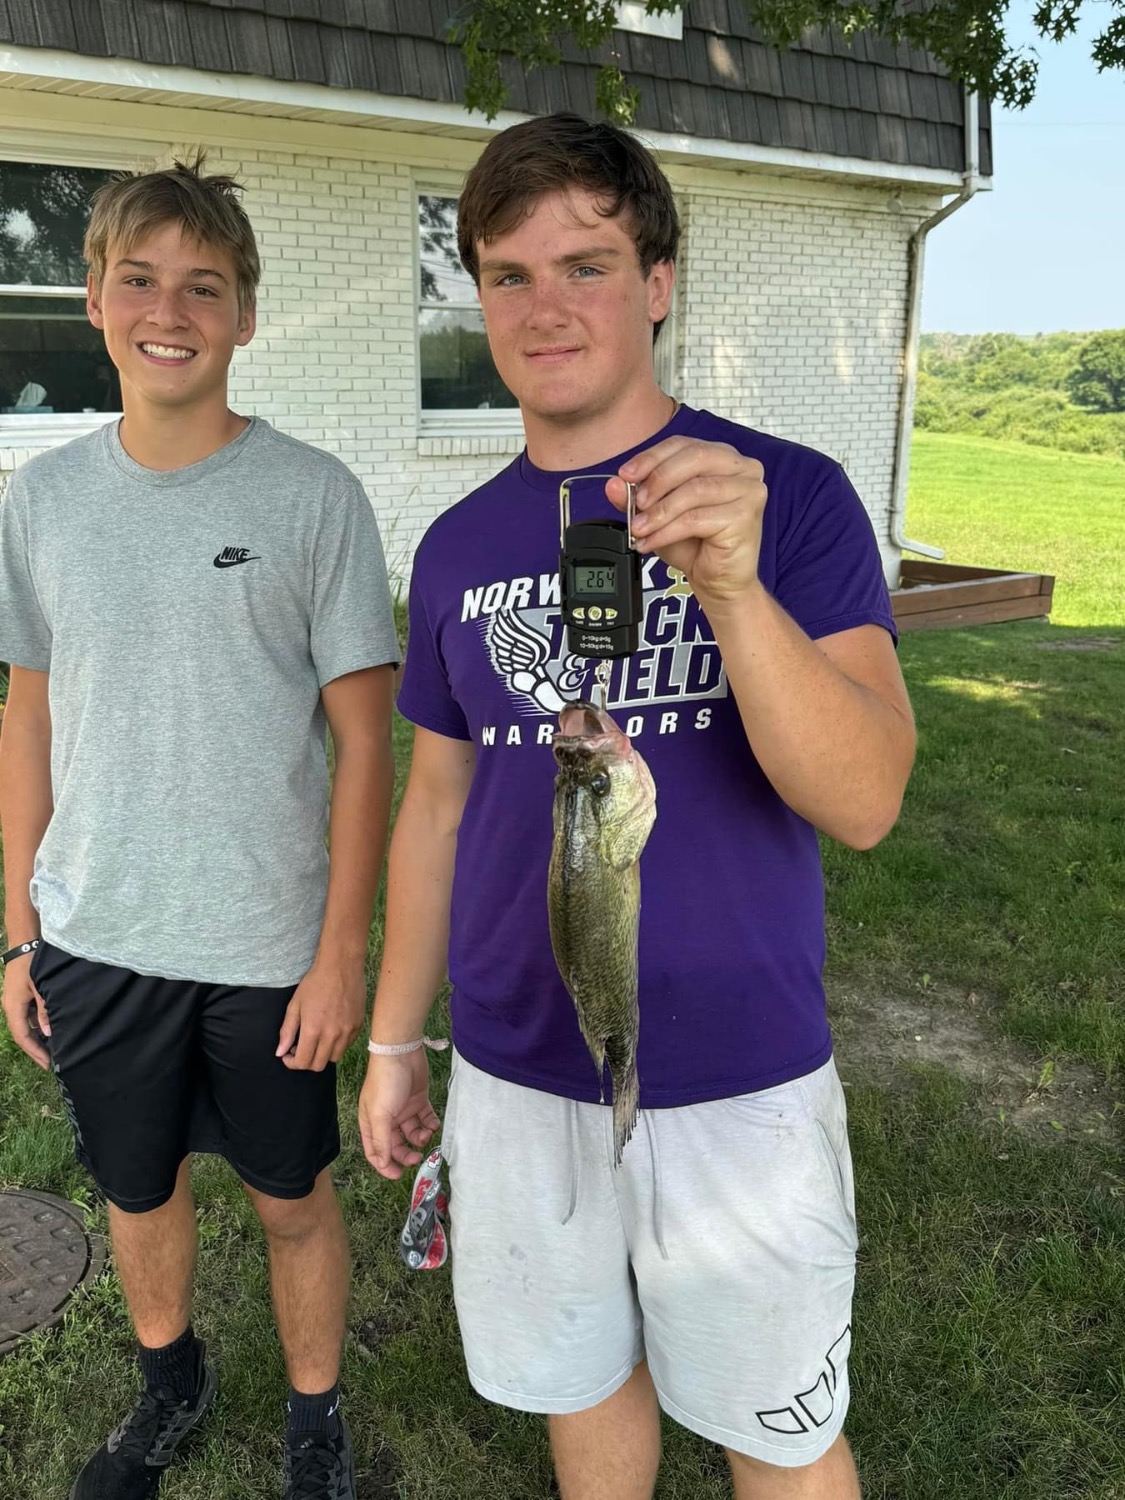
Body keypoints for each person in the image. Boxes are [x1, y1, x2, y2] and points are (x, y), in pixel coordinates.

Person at [358, 112, 916, 1499]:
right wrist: (392, 1041)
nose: (546, 306)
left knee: (774, 1434)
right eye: (506, 274)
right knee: (582, 1392)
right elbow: (434, 806)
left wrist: (729, 588)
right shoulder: (456, 541)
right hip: (512, 1063)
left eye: (587, 264)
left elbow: (864, 802)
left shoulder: (787, 497)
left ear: (658, 278)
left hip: (737, 1075)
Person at [0, 156, 399, 1500]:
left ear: (241, 316)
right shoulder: (43, 504)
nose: (170, 308)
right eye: (140, 279)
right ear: (97, 302)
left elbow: (363, 742)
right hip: (97, 931)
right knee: (137, 1188)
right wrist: (17, 935)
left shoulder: (312, 498)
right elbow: (27, 722)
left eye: (203, 286)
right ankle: (171, 1387)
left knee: (291, 1198)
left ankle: (314, 1417)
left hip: (265, 940)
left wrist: (341, 952)